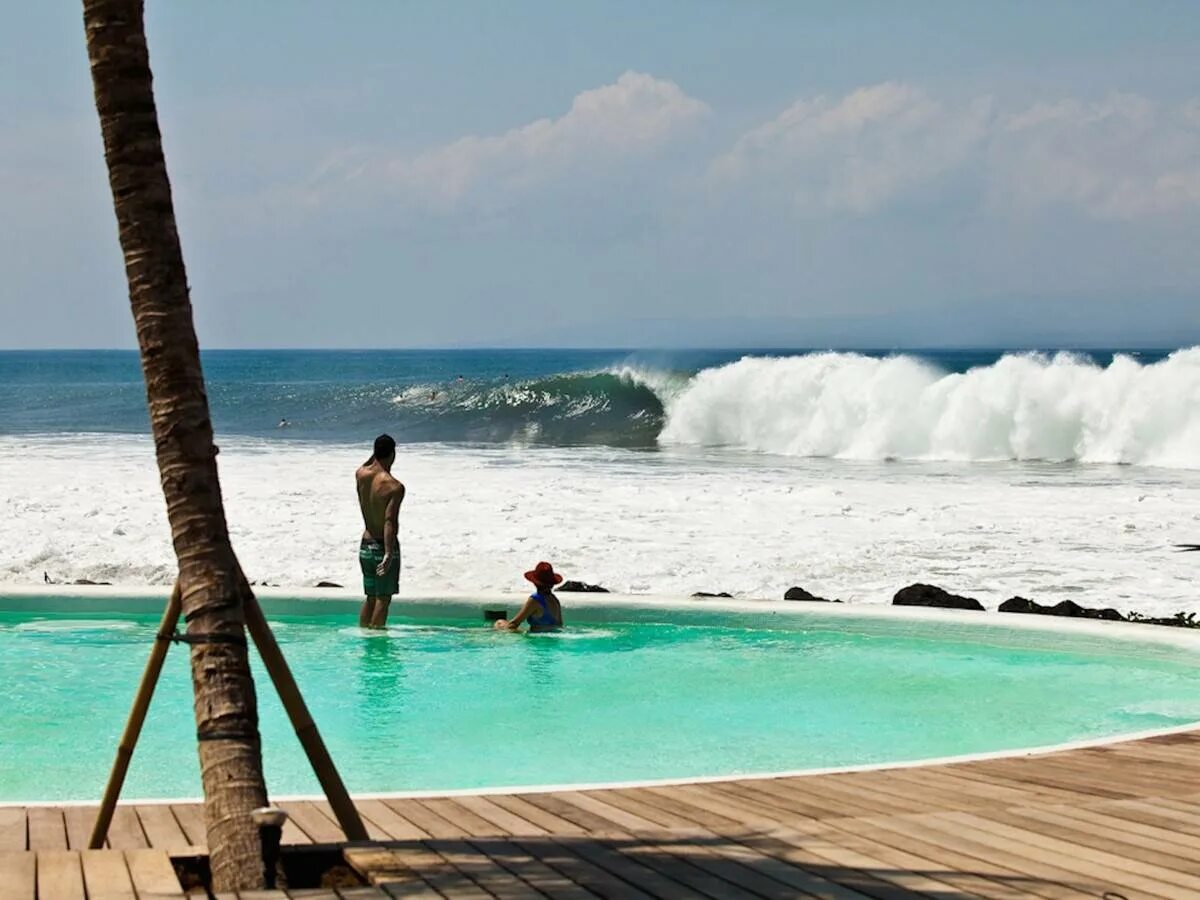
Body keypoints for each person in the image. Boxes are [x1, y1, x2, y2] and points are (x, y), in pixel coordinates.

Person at [355, 433, 405, 628]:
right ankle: (377, 643)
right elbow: (389, 521)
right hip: (382, 546)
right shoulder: (394, 487)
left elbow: (368, 463)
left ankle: (365, 635)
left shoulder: (361, 475)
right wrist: (388, 553)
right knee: (383, 599)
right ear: (392, 454)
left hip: (365, 546)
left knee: (370, 597)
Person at [494, 561, 564, 632]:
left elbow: (513, 624)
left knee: (499, 622)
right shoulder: (554, 599)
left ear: (535, 582)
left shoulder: (535, 600)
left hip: (537, 641)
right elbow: (559, 626)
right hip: (550, 640)